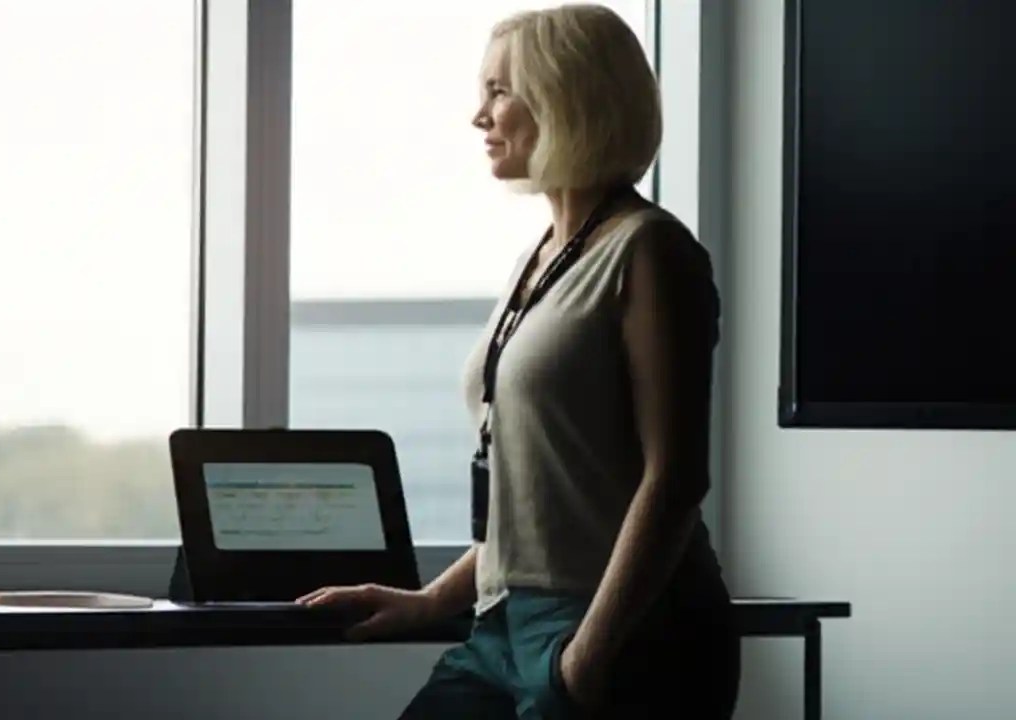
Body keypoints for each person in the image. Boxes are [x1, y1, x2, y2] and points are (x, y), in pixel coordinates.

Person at [297, 4, 740, 718]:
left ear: (568, 96)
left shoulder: (650, 252)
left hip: (625, 627)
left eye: (499, 90)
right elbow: (538, 501)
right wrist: (429, 602)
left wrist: (589, 659)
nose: (480, 116)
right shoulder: (539, 261)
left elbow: (676, 479)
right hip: (505, 627)